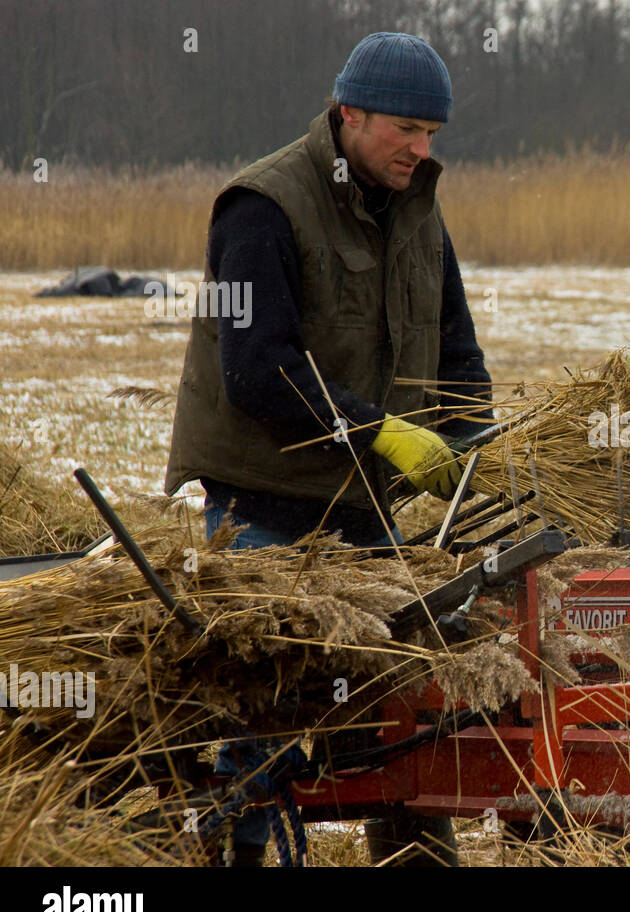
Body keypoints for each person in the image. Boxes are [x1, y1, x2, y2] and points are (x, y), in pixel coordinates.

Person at [165, 32, 492, 866]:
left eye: (433, 136)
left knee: (402, 710)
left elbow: (459, 361)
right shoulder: (263, 207)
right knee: (265, 714)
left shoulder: (419, 215)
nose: (422, 152)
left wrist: (466, 438)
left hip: (365, 511)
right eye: (406, 131)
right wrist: (379, 430)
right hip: (264, 511)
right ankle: (238, 852)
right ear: (350, 114)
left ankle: (416, 852)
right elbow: (256, 371)